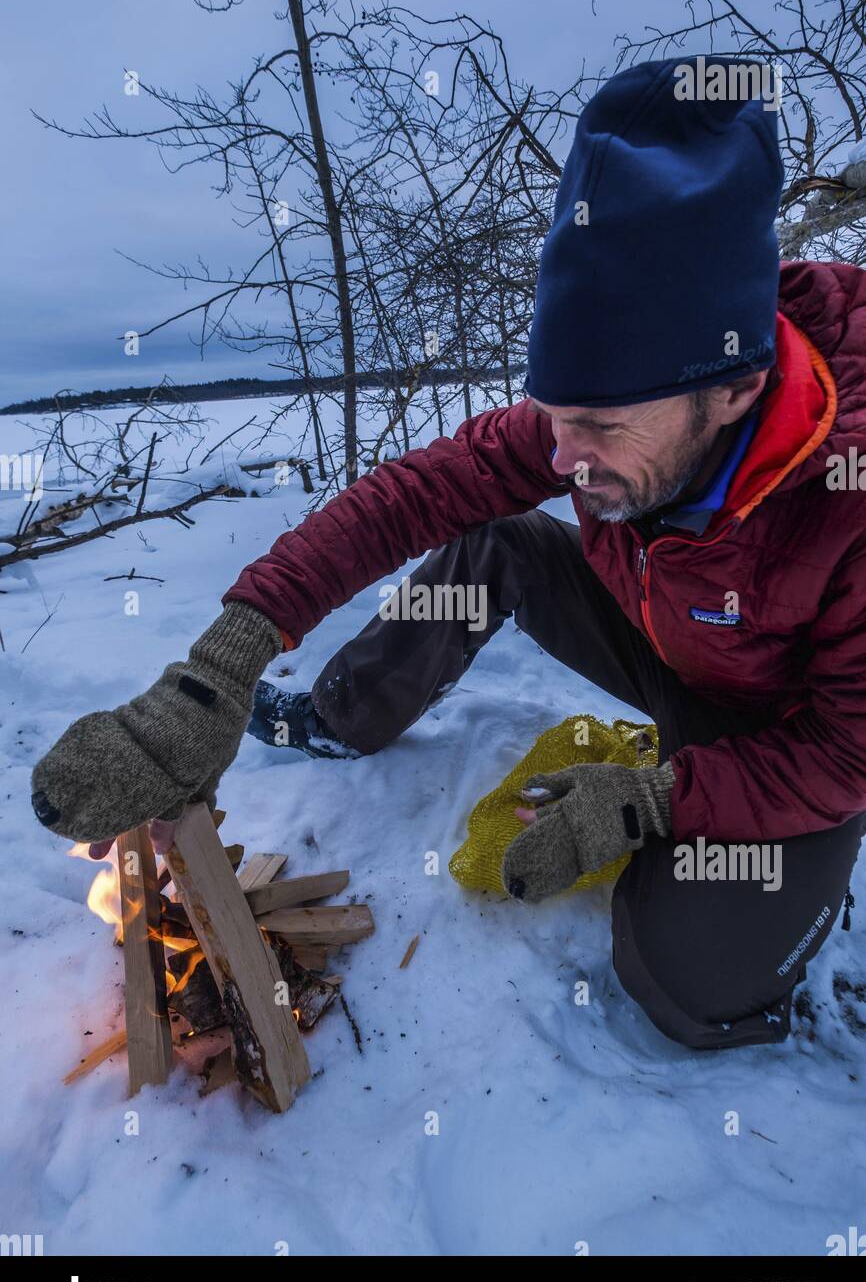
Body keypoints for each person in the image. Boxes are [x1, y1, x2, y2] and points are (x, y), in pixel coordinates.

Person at [32, 56, 866, 1051]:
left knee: (687, 986)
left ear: (732, 389)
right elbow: (413, 494)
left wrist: (652, 801)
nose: (564, 458)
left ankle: (775, 943)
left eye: (596, 426)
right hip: (671, 634)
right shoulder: (603, 421)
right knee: (496, 542)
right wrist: (226, 658)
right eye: (552, 420)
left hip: (796, 729)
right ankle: (342, 716)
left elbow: (846, 753)